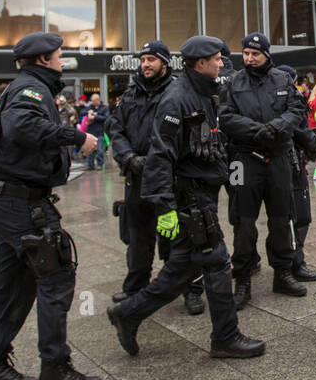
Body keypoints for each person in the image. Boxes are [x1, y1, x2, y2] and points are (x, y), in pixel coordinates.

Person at [106, 36, 266, 361]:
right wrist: (164, 208)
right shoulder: (176, 100)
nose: (222, 64)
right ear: (201, 63)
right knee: (218, 261)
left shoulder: (204, 93)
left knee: (180, 269)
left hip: (201, 193)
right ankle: (225, 337)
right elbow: (160, 156)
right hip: (190, 198)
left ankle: (129, 313)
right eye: (218, 59)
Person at [0, 32, 102, 380]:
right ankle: (55, 373)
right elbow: (21, 127)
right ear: (45, 59)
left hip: (10, 199)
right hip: (20, 202)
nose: (64, 60)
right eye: (60, 55)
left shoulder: (29, 85)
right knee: (55, 276)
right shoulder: (30, 88)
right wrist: (75, 138)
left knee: (13, 284)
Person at [218, 31, 315, 307]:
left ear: (266, 55)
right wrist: (256, 131)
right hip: (244, 159)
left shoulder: (283, 80)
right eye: (246, 53)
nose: (249, 58)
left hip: (278, 158)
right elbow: (225, 117)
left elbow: (297, 111)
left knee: (281, 220)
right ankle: (244, 279)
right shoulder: (234, 82)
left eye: (254, 54)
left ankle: (283, 273)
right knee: (243, 222)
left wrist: (276, 128)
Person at [108, 40, 186, 306]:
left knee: (173, 236)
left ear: (164, 62)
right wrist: (128, 157)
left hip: (166, 177)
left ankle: (182, 288)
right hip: (136, 176)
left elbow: (175, 134)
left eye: (151, 60)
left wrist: (153, 161)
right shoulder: (130, 95)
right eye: (142, 60)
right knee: (138, 237)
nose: (145, 65)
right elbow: (116, 130)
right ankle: (135, 288)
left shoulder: (177, 92)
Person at [275, 64, 316, 284]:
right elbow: (297, 128)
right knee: (297, 215)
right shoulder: (287, 99)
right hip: (290, 161)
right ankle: (294, 263)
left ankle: (292, 262)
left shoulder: (283, 97)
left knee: (296, 215)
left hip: (292, 160)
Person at [85, 98, 110, 170]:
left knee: (100, 150)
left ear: (98, 101)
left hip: (99, 131)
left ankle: (100, 164)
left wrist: (95, 116)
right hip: (90, 131)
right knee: (90, 150)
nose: (93, 103)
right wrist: (88, 112)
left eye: (94, 101)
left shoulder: (104, 108)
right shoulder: (89, 107)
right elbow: (82, 112)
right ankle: (90, 165)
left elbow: (106, 117)